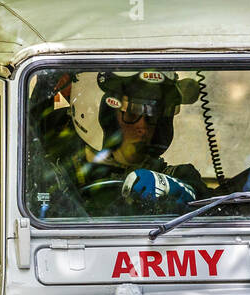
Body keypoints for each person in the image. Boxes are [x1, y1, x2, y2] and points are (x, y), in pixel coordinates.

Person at [28, 71, 205, 218]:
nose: (142, 128)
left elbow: (218, 208)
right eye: (130, 114)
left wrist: (178, 190)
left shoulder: (174, 177)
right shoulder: (50, 169)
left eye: (152, 117)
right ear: (103, 115)